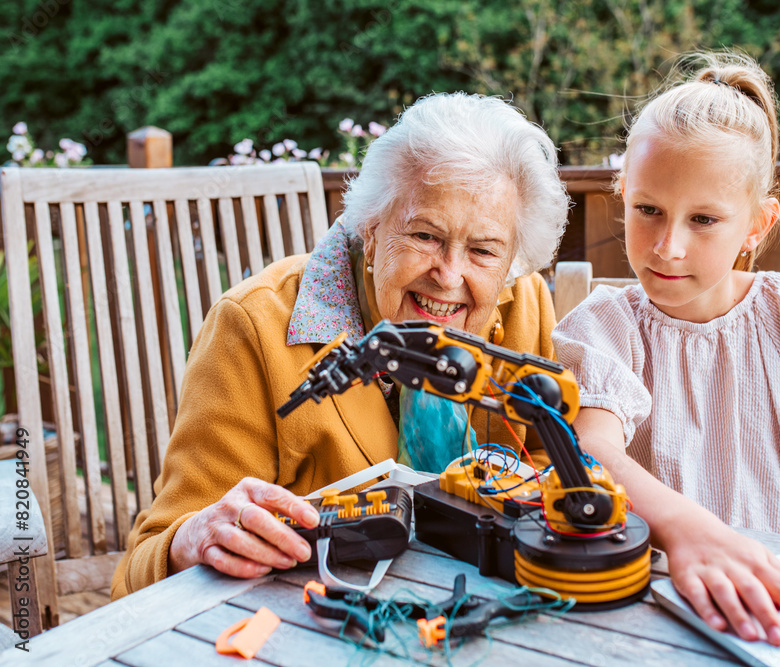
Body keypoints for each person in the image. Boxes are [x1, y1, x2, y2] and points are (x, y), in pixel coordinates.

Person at [111, 92, 570, 598]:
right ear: (371, 230)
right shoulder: (253, 327)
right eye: (425, 236)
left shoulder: (523, 304)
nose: (449, 275)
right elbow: (140, 573)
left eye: (483, 250)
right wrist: (193, 539)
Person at [552, 52, 780, 646]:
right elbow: (588, 449)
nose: (668, 247)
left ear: (757, 225)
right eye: (647, 210)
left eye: (704, 219)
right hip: (645, 611)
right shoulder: (603, 325)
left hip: (778, 614)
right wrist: (689, 532)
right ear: (622, 194)